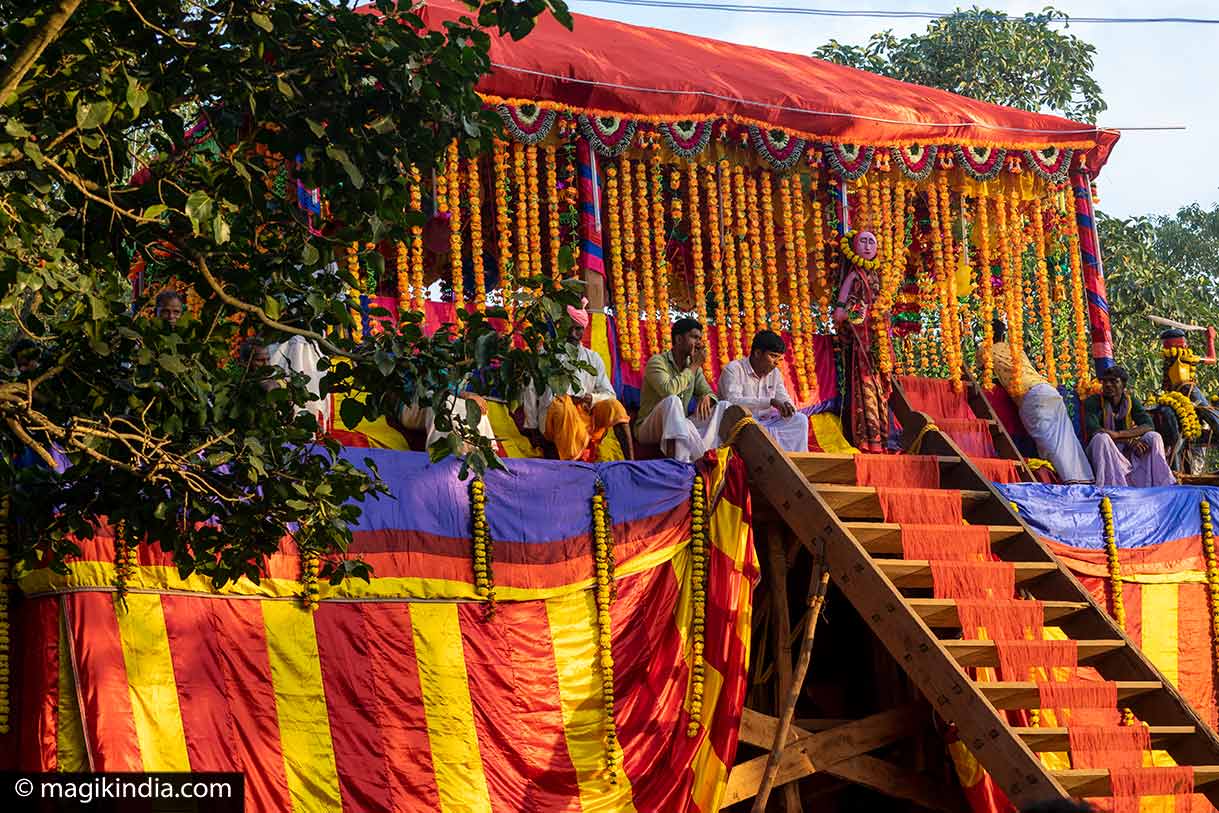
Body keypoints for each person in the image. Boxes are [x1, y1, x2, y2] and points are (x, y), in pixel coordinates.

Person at [522, 300, 630, 460]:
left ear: (584, 330)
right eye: (570, 328)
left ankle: (632, 462)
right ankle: (573, 466)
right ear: (561, 326)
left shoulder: (593, 358)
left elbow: (609, 393)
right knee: (564, 404)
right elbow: (530, 389)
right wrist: (532, 428)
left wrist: (592, 398)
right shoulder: (545, 355)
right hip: (554, 417)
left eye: (578, 329)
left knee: (615, 407)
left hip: (586, 415)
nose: (574, 333)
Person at [989, 319, 1093, 483]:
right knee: (1066, 438)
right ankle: (1084, 480)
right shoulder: (1017, 350)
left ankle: (1069, 482)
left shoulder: (986, 350)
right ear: (1003, 333)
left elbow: (985, 375)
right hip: (1047, 389)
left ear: (988, 333)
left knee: (1049, 442)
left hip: (1032, 396)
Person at [635, 317, 732, 463]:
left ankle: (706, 454)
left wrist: (707, 397)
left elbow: (709, 392)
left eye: (700, 338)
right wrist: (693, 367)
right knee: (672, 401)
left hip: (680, 423)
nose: (699, 343)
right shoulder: (657, 362)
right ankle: (680, 462)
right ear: (679, 339)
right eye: (694, 337)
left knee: (724, 406)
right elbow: (669, 391)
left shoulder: (693, 367)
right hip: (648, 428)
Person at [832, 230, 889, 452]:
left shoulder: (880, 278)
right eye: (862, 242)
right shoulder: (854, 276)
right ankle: (867, 441)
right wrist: (858, 314)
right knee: (865, 390)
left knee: (880, 392)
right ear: (854, 248)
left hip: (878, 346)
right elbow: (838, 315)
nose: (867, 246)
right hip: (859, 347)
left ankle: (881, 440)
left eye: (871, 242)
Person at [1083, 365, 1174, 487]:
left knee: (1154, 437)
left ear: (1123, 385)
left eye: (1114, 381)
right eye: (1105, 381)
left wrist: (1120, 435)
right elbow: (1095, 430)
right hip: (1101, 451)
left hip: (1126, 449)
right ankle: (1111, 487)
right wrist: (1129, 441)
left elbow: (1148, 425)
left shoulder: (1131, 402)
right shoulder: (1093, 401)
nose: (1108, 385)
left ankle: (1162, 484)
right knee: (1102, 438)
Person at [718, 330, 808, 452]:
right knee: (753, 426)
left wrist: (788, 407)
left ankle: (794, 462)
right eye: (773, 356)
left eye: (779, 358)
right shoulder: (733, 369)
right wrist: (770, 402)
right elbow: (733, 401)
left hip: (766, 423)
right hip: (741, 424)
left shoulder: (775, 373)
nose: (776, 362)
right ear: (757, 353)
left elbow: (783, 397)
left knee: (800, 420)